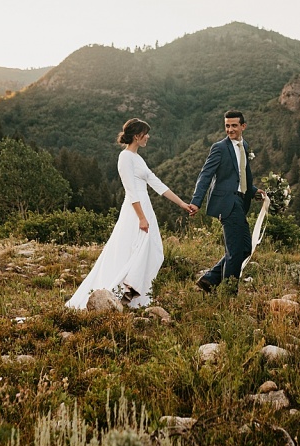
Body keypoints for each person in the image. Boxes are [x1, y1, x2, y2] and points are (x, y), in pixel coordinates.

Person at [66, 118, 193, 310]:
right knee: (138, 247)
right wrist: (141, 217)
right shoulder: (124, 157)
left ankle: (131, 288)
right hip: (135, 209)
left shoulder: (138, 158)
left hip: (145, 207)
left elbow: (156, 183)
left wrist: (182, 204)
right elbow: (131, 190)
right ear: (137, 136)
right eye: (145, 133)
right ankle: (128, 288)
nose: (148, 137)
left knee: (154, 249)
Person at [189, 110, 266, 292]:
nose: (230, 130)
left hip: (240, 202)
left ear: (243, 126)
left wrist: (254, 191)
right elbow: (205, 175)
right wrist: (196, 201)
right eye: (227, 126)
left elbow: (241, 176)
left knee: (246, 248)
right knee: (235, 251)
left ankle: (209, 279)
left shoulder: (244, 146)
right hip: (226, 203)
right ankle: (228, 294)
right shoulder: (219, 147)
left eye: (233, 126)